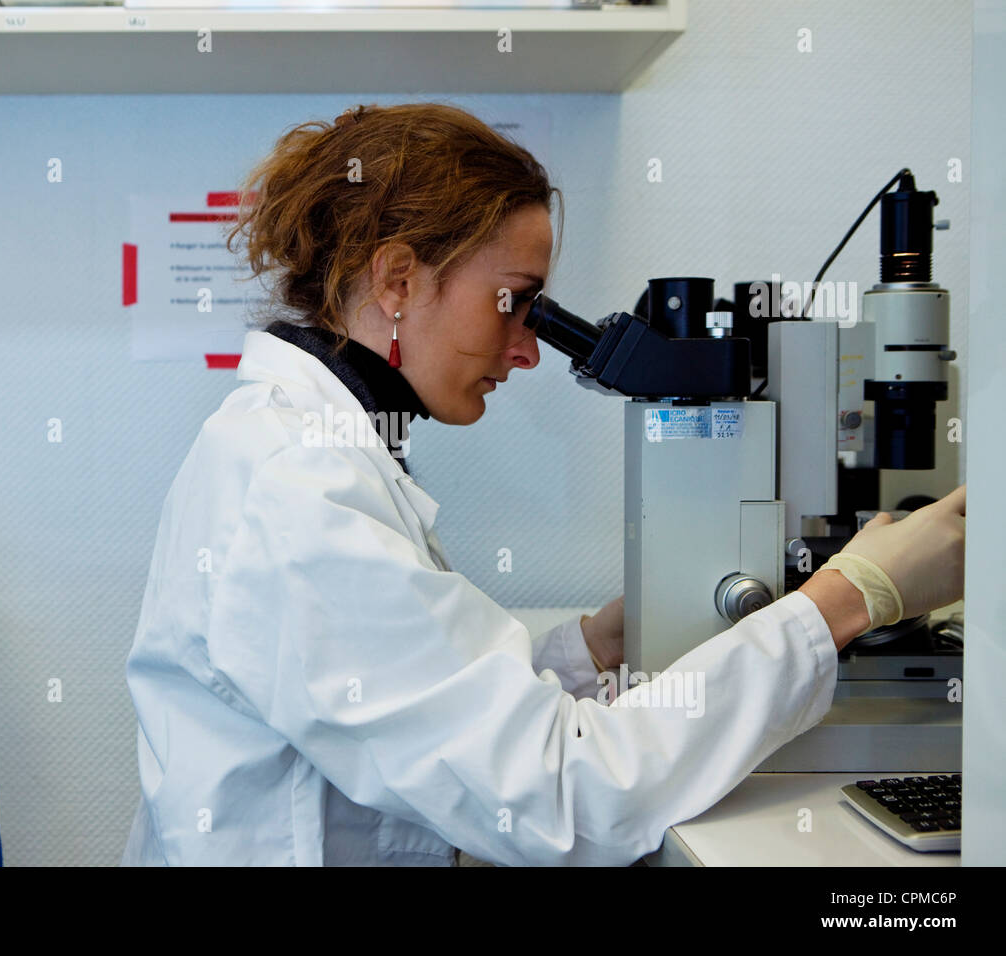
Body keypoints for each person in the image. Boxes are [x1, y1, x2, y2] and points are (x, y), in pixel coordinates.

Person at [121, 102, 967, 866]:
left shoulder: (313, 449)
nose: (527, 350)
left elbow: (422, 692)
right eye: (512, 303)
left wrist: (591, 646)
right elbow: (566, 799)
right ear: (397, 280)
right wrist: (851, 598)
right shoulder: (296, 493)